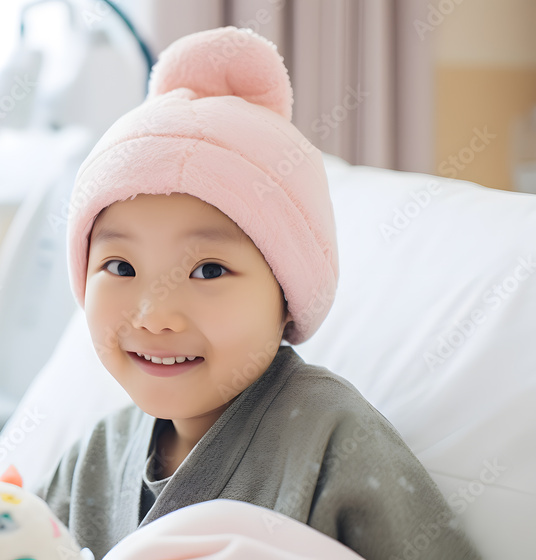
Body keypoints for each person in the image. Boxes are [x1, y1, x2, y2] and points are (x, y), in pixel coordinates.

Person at [32, 26, 480, 560]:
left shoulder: (332, 438)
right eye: (121, 265)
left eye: (209, 272)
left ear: (288, 296)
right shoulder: (95, 459)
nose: (154, 316)